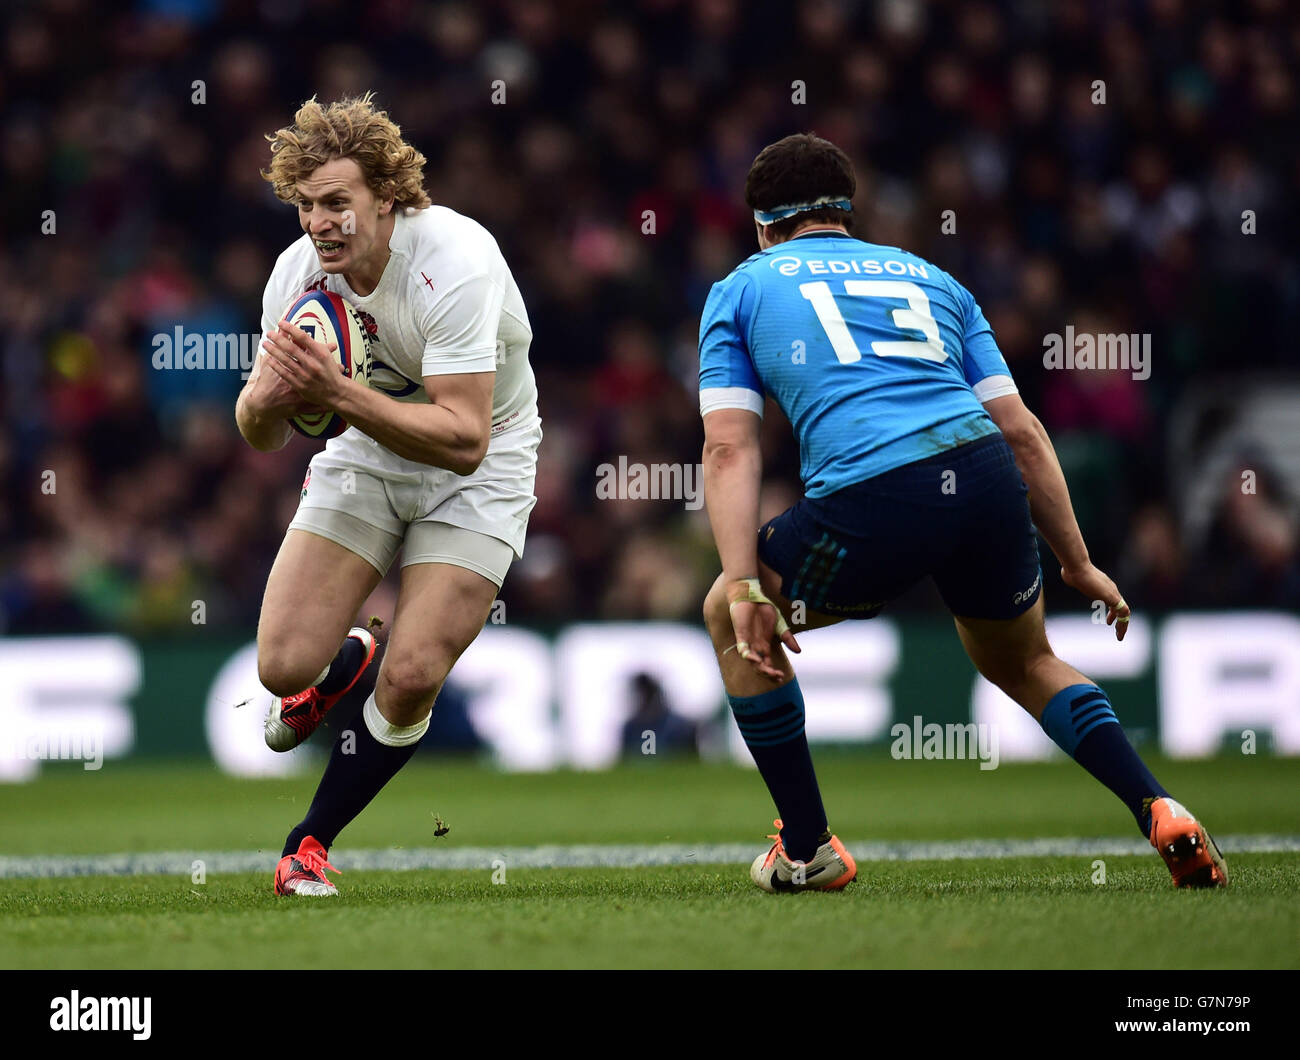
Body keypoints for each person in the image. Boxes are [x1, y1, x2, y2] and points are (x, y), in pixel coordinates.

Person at [698, 133, 1227, 893]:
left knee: (726, 610)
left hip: (874, 494)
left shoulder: (742, 289)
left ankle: (808, 848)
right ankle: (1160, 806)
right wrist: (1077, 561)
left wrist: (747, 582)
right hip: (982, 479)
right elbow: (1022, 432)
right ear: (848, 211)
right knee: (1025, 660)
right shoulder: (932, 279)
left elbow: (728, 449)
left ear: (761, 224)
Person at [235, 94, 541, 896]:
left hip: (487, 454)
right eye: (306, 206)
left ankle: (309, 842)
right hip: (372, 448)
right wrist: (266, 399)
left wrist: (335, 392)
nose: (321, 223)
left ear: (389, 196)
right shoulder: (294, 278)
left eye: (338, 202)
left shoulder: (454, 258)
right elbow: (261, 433)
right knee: (279, 665)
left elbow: (465, 438)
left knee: (412, 675)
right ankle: (333, 672)